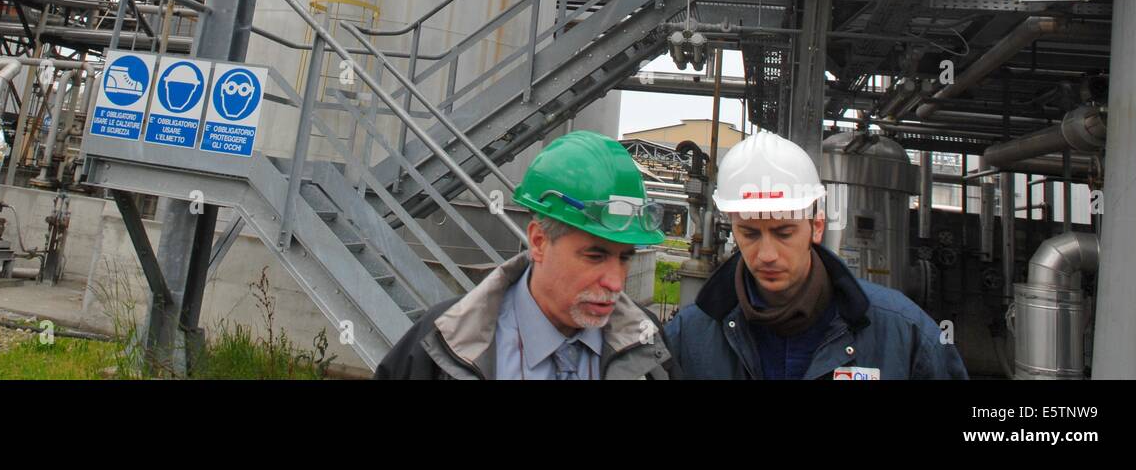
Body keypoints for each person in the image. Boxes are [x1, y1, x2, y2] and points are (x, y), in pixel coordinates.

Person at [374, 130, 680, 380]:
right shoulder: (442, 339)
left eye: (624, 257)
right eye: (595, 256)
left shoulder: (647, 341)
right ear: (538, 241)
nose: (615, 283)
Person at [665, 131, 968, 380]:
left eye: (784, 233)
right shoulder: (691, 336)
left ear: (817, 227)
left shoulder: (903, 332)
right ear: (732, 227)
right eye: (750, 233)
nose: (767, 255)